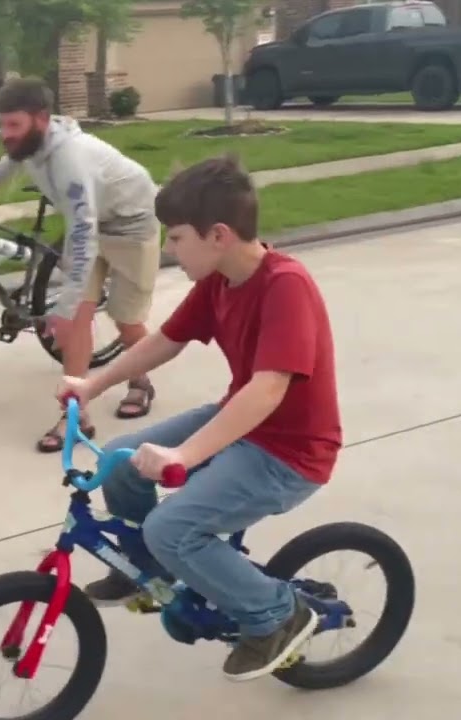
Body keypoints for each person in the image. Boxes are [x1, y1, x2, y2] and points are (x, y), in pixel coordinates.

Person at [57, 155, 342, 682]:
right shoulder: (220, 280)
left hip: (290, 452)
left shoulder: (286, 286)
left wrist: (185, 456)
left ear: (218, 236)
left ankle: (278, 615)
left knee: (172, 528)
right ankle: (151, 569)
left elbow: (268, 388)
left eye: (177, 237)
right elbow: (166, 340)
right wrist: (92, 384)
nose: (169, 248)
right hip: (240, 422)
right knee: (121, 464)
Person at [0, 76, 162, 453]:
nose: (6, 134)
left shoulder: (70, 157)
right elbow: (13, 156)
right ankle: (76, 416)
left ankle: (141, 381)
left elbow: (83, 233)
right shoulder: (34, 142)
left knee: (126, 321)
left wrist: (66, 307)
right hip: (91, 226)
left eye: (14, 125)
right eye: (2, 125)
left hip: (132, 225)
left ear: (41, 118)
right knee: (75, 321)